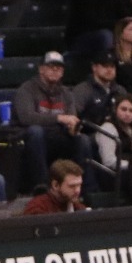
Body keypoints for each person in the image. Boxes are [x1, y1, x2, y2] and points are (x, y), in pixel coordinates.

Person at [13, 52, 87, 192]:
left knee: (82, 140)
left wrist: (73, 129)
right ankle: (42, 187)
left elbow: (71, 118)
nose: (55, 70)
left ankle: (83, 188)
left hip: (57, 137)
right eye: (51, 66)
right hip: (30, 140)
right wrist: (58, 118)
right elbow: (26, 118)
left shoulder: (66, 93)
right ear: (41, 69)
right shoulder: (27, 89)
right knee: (36, 132)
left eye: (58, 68)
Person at [20, 160, 89, 216]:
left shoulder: (78, 207)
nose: (77, 190)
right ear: (55, 185)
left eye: (79, 185)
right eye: (72, 186)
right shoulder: (37, 208)